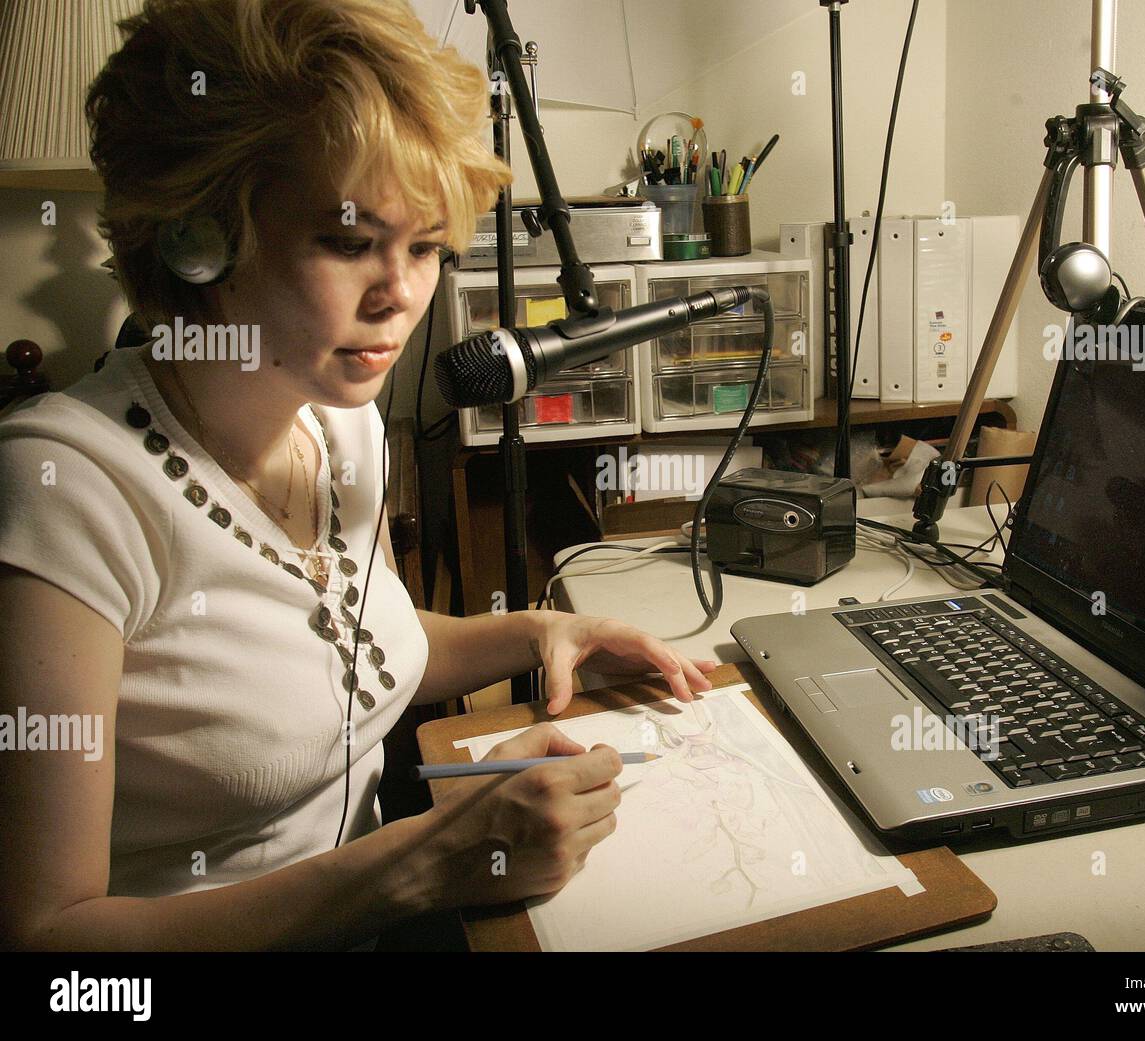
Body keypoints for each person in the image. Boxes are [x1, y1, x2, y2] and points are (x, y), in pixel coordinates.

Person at [0, 0, 714, 951]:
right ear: (196, 236)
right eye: (349, 243)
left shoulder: (341, 420)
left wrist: (543, 626)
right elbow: (46, 941)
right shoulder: (66, 495)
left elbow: (356, 642)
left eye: (425, 247)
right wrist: (425, 862)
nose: (403, 295)